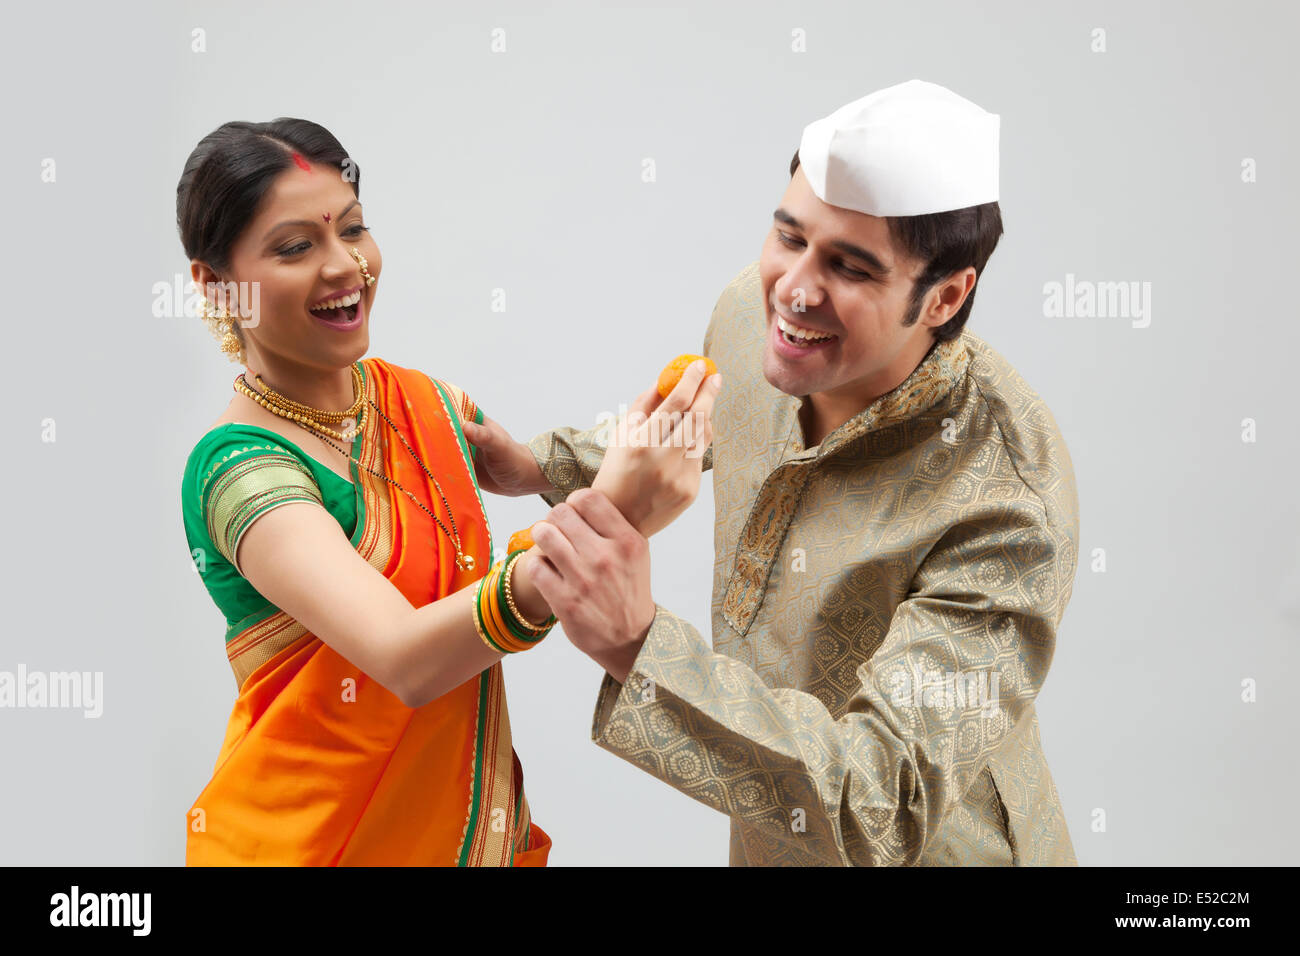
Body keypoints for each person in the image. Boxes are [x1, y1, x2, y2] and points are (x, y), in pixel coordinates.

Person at [466, 79, 1080, 865]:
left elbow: (878, 808)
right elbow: (704, 420)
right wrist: (540, 462)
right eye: (789, 238)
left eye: (851, 268)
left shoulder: (1005, 497)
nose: (793, 289)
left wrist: (639, 648)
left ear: (944, 297)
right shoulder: (756, 318)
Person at [177, 118, 719, 865]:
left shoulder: (422, 402)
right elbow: (404, 659)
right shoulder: (240, 471)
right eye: (296, 246)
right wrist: (607, 519)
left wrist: (537, 467)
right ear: (216, 283)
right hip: (311, 844)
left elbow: (553, 458)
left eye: (355, 230)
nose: (346, 267)